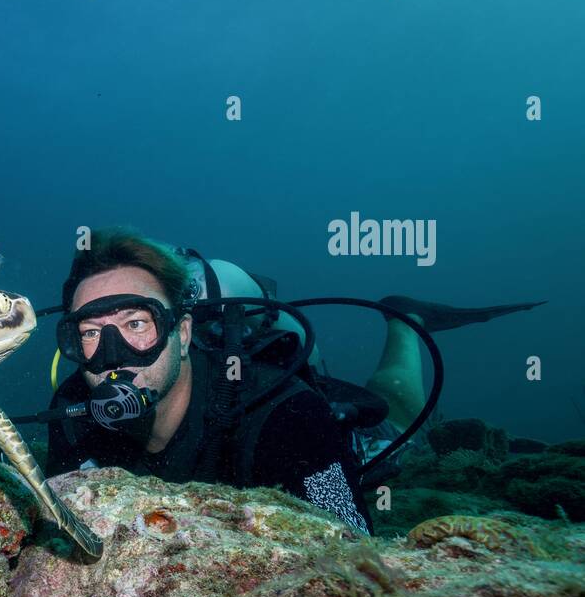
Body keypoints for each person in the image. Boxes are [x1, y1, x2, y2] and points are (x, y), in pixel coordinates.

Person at [42, 229, 544, 535]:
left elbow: (351, 546)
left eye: (136, 325)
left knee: (395, 423)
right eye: (88, 334)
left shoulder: (283, 415)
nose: (112, 359)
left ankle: (402, 319)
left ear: (183, 331)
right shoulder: (72, 414)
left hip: (324, 428)